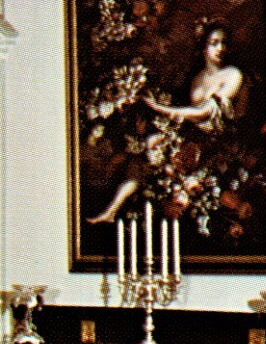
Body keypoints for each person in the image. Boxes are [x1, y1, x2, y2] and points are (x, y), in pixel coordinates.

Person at [87, 22, 246, 224]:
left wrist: (162, 109)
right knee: (143, 152)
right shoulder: (196, 78)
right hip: (189, 133)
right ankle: (112, 210)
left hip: (212, 143)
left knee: (164, 163)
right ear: (204, 46)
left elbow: (204, 112)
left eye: (224, 43)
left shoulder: (233, 74)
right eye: (214, 43)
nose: (221, 48)